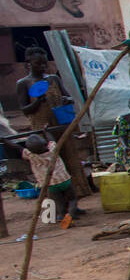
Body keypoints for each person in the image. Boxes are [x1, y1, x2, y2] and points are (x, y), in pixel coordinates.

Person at [15, 48, 90, 197]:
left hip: (60, 125)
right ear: (28, 63)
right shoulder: (23, 83)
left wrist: (66, 100)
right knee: (48, 163)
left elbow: (68, 97)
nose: (42, 66)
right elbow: (25, 110)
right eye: (38, 63)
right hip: (42, 128)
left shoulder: (53, 79)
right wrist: (37, 102)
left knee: (70, 158)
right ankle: (56, 199)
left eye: (44, 63)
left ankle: (77, 194)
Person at [4, 133, 80, 222]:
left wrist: (5, 141)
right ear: (45, 144)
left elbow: (17, 147)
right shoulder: (52, 150)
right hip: (64, 180)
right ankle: (71, 213)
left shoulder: (32, 156)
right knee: (72, 198)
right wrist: (46, 131)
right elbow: (51, 140)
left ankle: (62, 215)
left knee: (58, 201)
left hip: (50, 185)